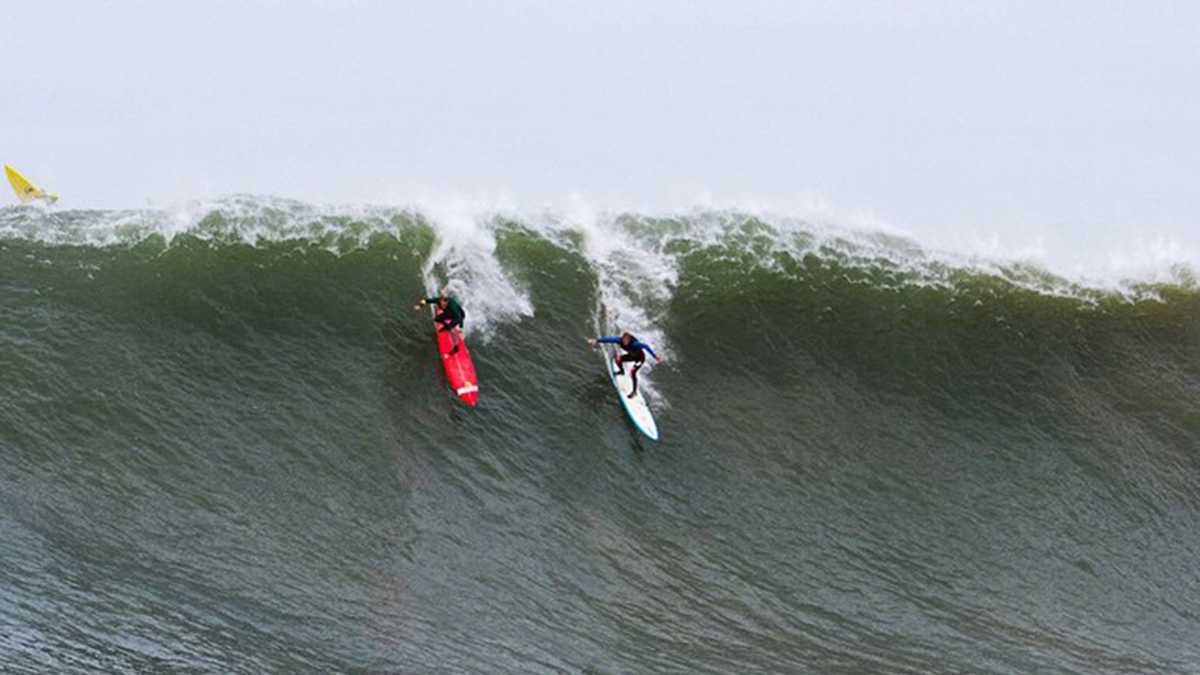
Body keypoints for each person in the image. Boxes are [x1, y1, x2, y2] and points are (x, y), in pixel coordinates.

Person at [588, 332, 662, 398]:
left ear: (629, 340)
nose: (624, 343)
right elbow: (609, 339)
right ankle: (621, 371)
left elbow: (646, 346)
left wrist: (655, 356)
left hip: (640, 358)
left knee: (633, 372)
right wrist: (597, 340)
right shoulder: (619, 340)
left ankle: (634, 392)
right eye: (623, 341)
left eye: (626, 341)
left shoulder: (635, 344)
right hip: (631, 355)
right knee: (617, 359)